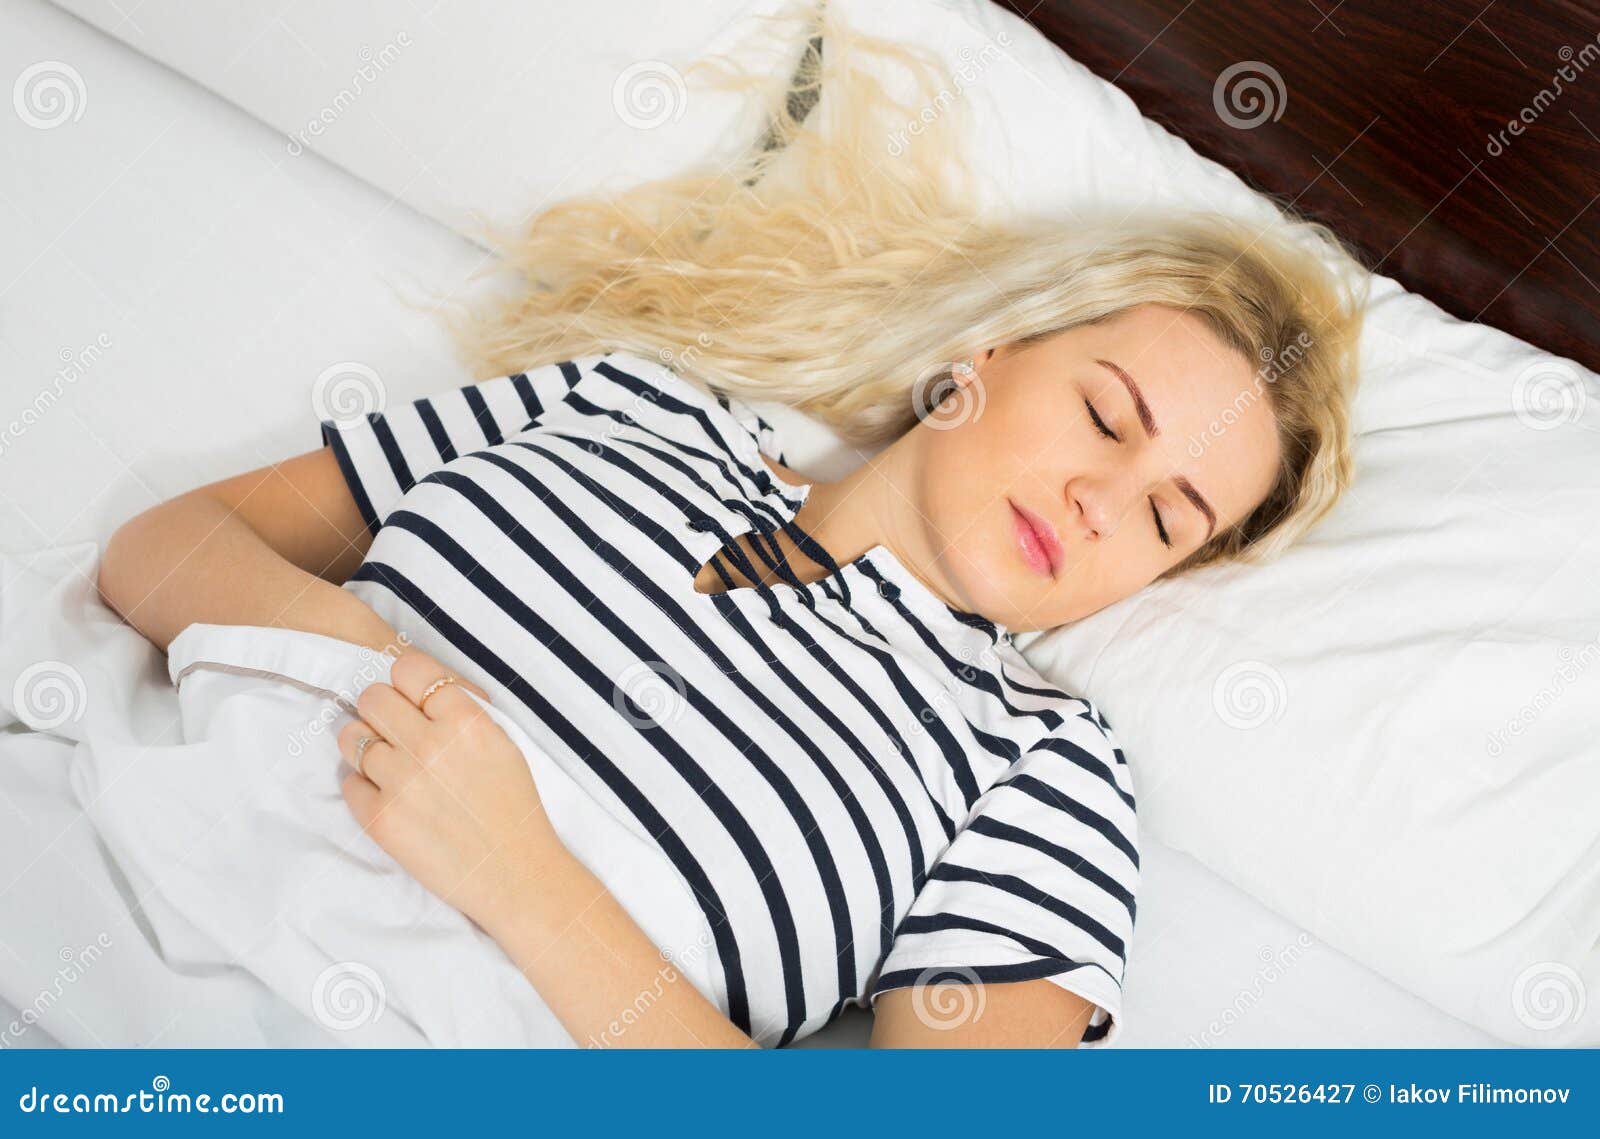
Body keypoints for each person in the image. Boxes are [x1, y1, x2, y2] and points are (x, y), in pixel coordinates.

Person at [96, 7, 1366, 1047]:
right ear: (986, 351)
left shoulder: (1037, 768)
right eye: (1104, 416)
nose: (1102, 501)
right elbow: (163, 548)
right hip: (92, 879)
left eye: (1166, 516)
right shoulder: (620, 401)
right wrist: (400, 690)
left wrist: (523, 877)